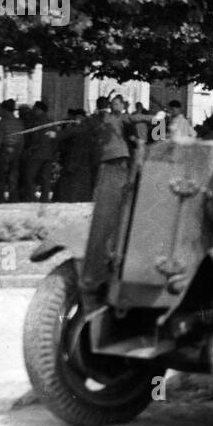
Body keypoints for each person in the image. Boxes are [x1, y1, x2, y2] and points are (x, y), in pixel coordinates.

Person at [81, 95, 133, 312]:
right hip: (112, 156)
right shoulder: (108, 119)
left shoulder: (121, 119)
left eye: (118, 103)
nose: (115, 106)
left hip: (119, 156)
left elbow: (150, 131)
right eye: (113, 104)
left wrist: (159, 121)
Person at [0, 99, 25, 202]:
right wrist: (20, 152)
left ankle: (0, 198)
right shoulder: (19, 122)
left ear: (4, 109)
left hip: (4, 150)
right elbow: (22, 139)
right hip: (16, 151)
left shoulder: (2, 123)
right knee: (13, 176)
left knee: (1, 176)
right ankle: (13, 198)